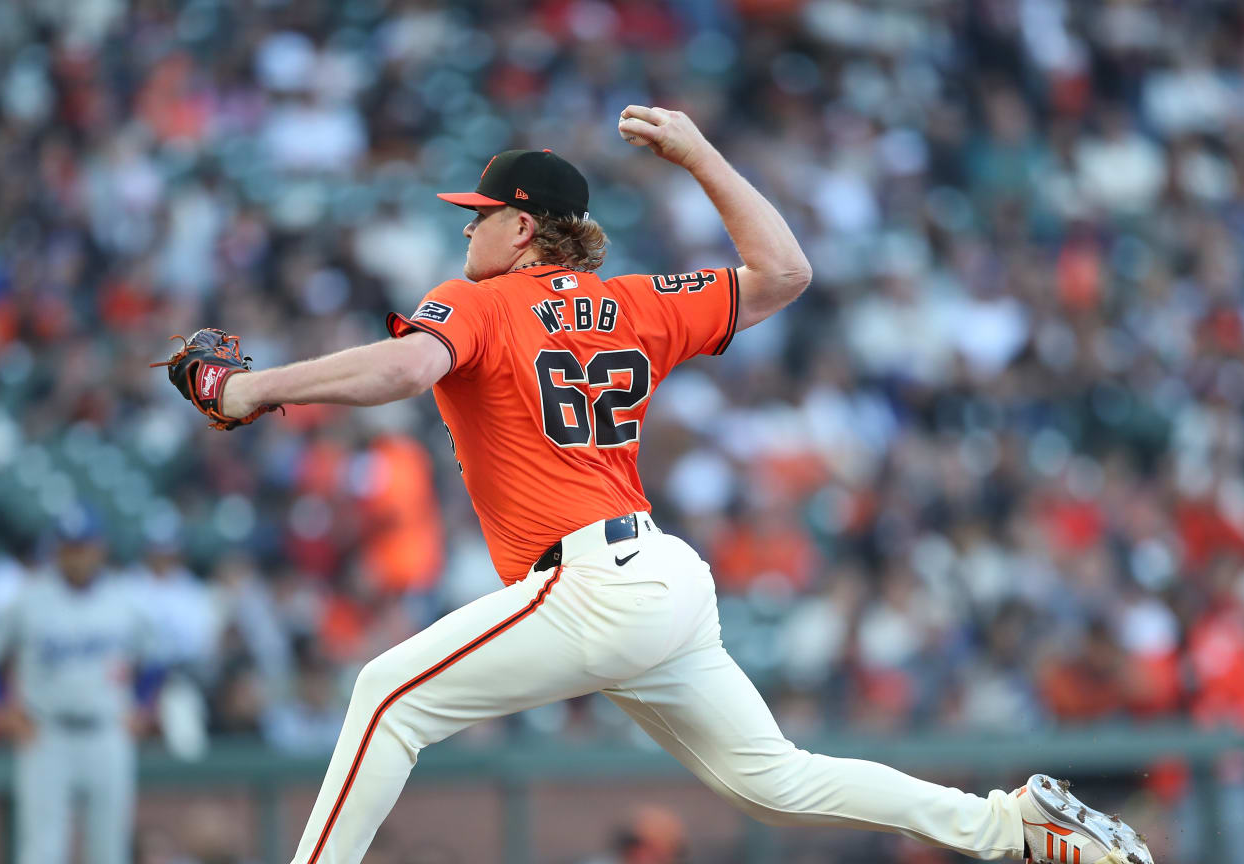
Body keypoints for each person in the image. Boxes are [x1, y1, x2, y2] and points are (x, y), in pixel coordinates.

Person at [196, 106, 1152, 864]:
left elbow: (403, 373)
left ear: (523, 227)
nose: (468, 233)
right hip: (657, 577)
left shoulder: (478, 301)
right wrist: (701, 155)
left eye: (479, 217)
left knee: (385, 697)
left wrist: (249, 387)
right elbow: (785, 271)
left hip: (591, 584)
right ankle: (1015, 826)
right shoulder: (639, 302)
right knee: (773, 781)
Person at [0, 510, 166, 864]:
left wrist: (142, 704)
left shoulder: (124, 599)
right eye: (69, 547)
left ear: (100, 548)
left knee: (108, 850)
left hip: (107, 732)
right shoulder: (29, 598)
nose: (77, 555)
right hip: (46, 734)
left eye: (84, 546)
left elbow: (160, 657)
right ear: (56, 549)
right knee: (42, 851)